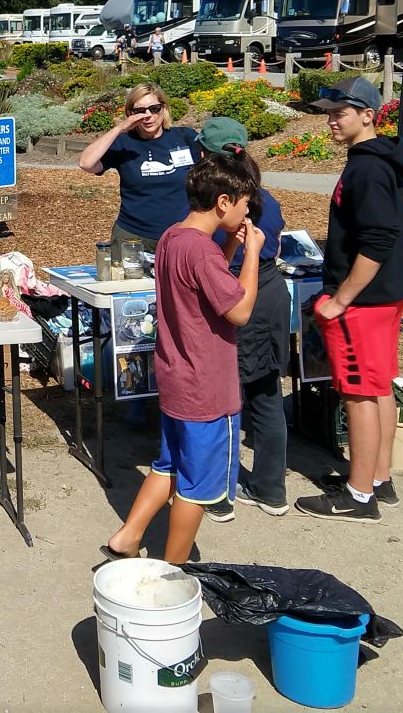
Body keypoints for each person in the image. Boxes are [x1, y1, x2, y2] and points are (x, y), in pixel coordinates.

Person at [104, 154, 263, 563]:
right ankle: (172, 569)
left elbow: (203, 280)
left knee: (170, 464)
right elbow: (240, 310)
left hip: (176, 378)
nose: (248, 213)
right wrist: (253, 254)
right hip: (207, 389)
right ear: (224, 202)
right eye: (245, 204)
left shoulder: (174, 237)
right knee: (198, 487)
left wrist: (230, 245)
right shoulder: (203, 252)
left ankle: (128, 536)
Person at [294, 76, 403, 522]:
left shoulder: (366, 168)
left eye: (340, 113)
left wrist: (340, 300)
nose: (331, 121)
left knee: (358, 392)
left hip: (363, 302)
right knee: (378, 385)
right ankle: (378, 478)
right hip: (387, 294)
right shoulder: (378, 159)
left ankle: (358, 496)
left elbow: (378, 238)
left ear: (367, 115)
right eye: (328, 114)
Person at [79, 83, 201, 428]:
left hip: (179, 239)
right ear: (129, 112)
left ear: (164, 108)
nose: (147, 116)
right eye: (138, 110)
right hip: (132, 238)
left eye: (153, 108)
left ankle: (174, 389)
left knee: (178, 315)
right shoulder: (124, 144)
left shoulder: (185, 138)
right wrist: (119, 128)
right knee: (131, 318)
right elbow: (86, 163)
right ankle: (134, 392)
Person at [197, 118, 292, 520]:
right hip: (271, 290)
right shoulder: (264, 196)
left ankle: (219, 492)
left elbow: (210, 255)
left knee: (226, 399)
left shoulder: (217, 203)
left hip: (237, 291)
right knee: (267, 393)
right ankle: (271, 489)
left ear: (205, 156)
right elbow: (277, 243)